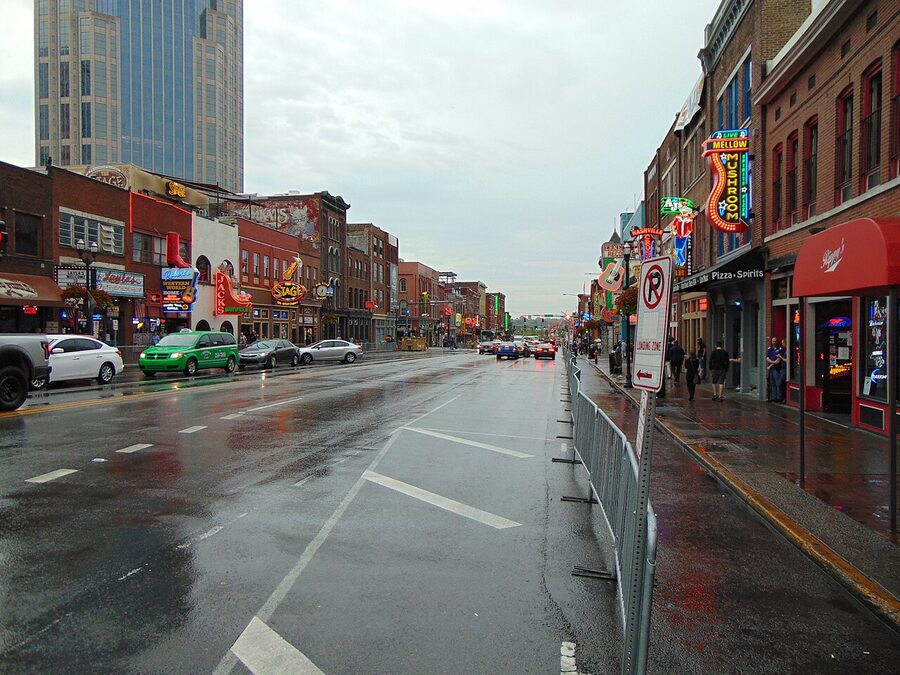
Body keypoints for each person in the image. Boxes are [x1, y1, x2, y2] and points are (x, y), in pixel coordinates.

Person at [766, 336, 786, 402]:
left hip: (776, 369)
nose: (774, 342)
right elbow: (767, 358)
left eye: (775, 341)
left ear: (777, 342)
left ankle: (779, 398)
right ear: (771, 342)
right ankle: (773, 397)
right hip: (771, 369)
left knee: (778, 383)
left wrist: (771, 364)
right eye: (773, 341)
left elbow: (778, 361)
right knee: (772, 383)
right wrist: (772, 362)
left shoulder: (780, 349)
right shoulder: (769, 349)